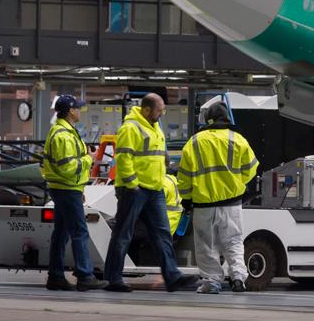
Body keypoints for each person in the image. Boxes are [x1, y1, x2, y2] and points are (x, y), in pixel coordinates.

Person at [102, 94, 198, 292]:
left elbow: (156, 154)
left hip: (155, 189)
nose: (162, 112)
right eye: (159, 109)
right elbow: (124, 158)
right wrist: (132, 184)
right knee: (123, 234)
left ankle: (172, 277)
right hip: (135, 190)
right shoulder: (130, 128)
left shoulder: (155, 127)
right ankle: (113, 279)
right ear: (146, 110)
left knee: (163, 234)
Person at [178, 102, 259, 294]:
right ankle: (238, 277)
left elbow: (184, 177)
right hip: (231, 204)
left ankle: (212, 282)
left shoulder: (195, 142)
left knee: (207, 245)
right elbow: (251, 170)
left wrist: (187, 198)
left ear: (208, 120)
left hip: (203, 205)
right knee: (233, 242)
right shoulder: (238, 140)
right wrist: (236, 184)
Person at [41, 95, 107, 291]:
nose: (80, 111)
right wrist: (89, 158)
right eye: (78, 108)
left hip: (66, 188)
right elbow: (68, 167)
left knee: (61, 233)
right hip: (66, 188)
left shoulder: (65, 132)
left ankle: (55, 276)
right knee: (79, 232)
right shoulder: (63, 135)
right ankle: (85, 276)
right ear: (71, 110)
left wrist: (81, 188)